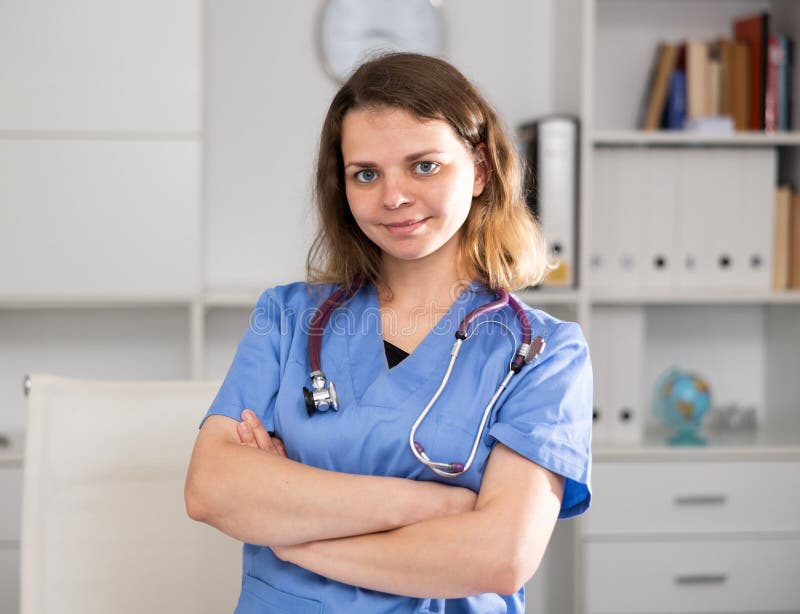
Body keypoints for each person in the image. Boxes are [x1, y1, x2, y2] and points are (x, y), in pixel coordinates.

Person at [185, 52, 592, 613]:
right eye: (366, 174)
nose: (393, 197)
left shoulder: (543, 353)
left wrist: (294, 537)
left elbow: (501, 555)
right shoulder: (286, 318)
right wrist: (437, 507)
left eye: (424, 165)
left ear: (479, 169)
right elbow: (211, 490)